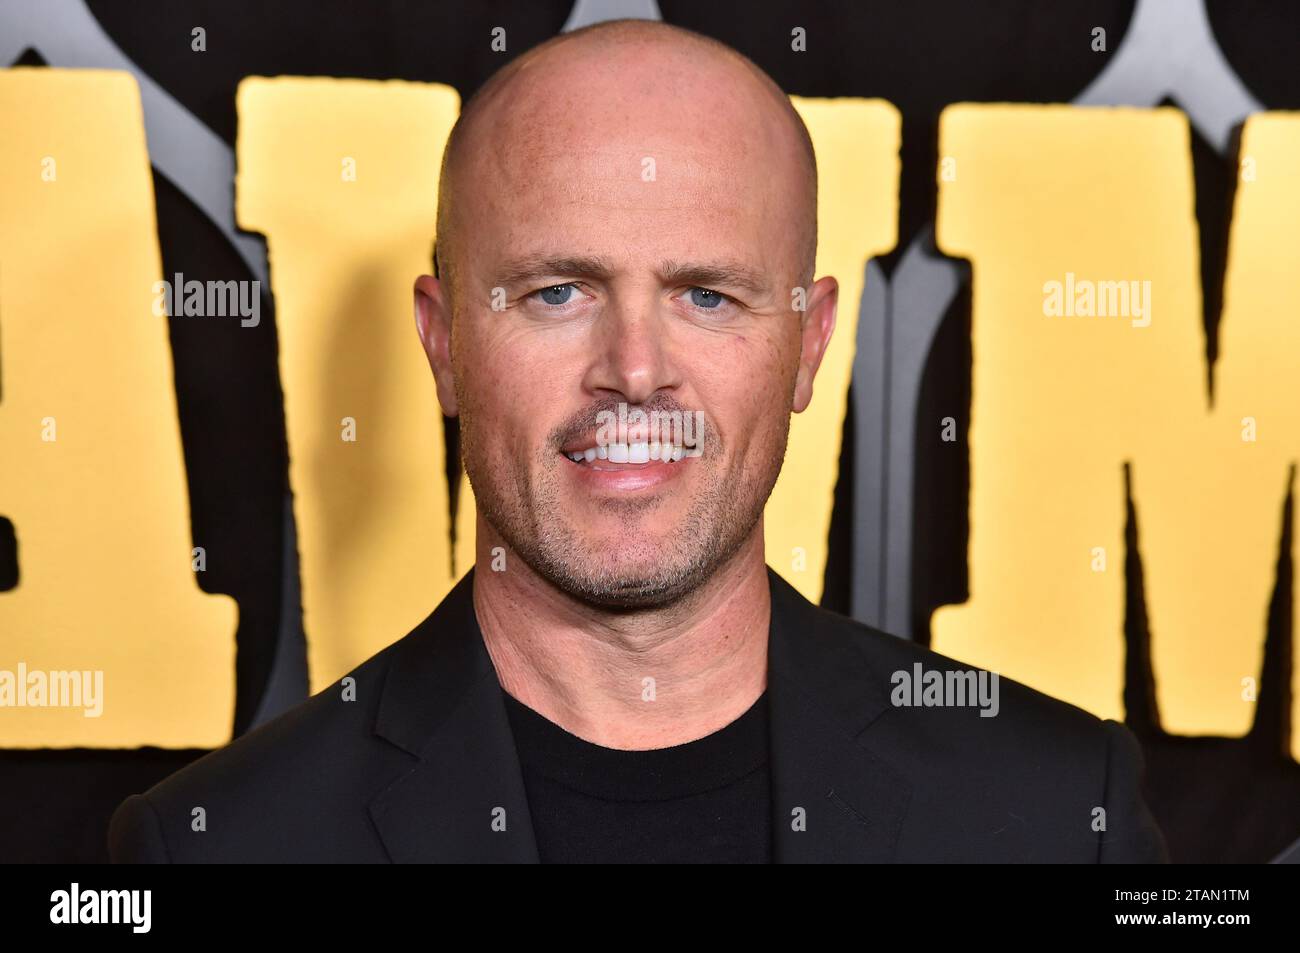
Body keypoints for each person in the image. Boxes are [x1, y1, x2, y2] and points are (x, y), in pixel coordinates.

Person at [109, 18, 1168, 863]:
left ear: (806, 345)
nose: (634, 367)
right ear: (444, 343)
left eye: (706, 295)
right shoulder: (217, 844)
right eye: (557, 290)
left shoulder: (1059, 815)